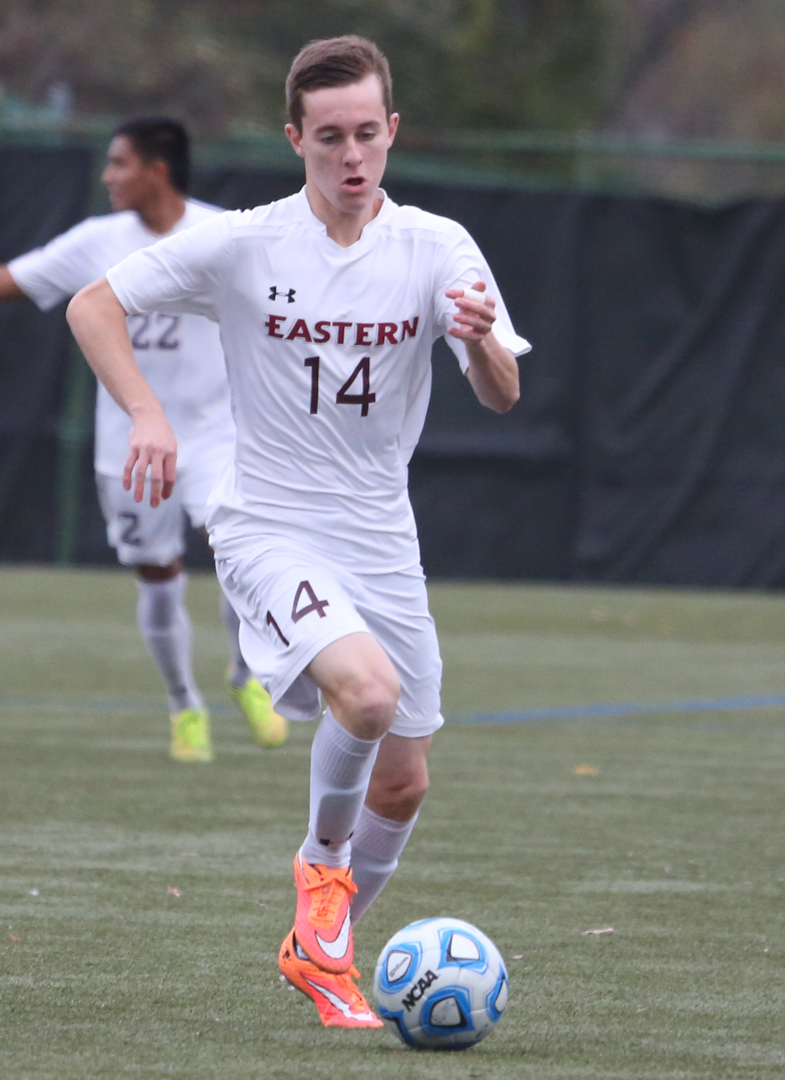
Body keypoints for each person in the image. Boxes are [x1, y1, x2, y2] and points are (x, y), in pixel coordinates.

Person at [65, 37, 529, 1028]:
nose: (352, 157)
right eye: (330, 139)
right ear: (296, 140)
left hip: (382, 538)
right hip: (267, 521)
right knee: (366, 693)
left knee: (402, 784)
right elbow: (92, 305)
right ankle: (320, 877)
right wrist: (147, 412)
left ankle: (322, 952)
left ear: (392, 131)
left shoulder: (438, 248)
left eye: (368, 134)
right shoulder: (246, 242)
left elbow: (502, 395)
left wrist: (484, 337)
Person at [0, 117, 286, 764]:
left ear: (157, 170)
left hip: (218, 438)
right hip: (130, 446)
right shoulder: (97, 241)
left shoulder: (225, 234)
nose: (107, 176)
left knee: (243, 563)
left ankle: (247, 680)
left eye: (119, 163)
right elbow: (7, 285)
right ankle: (183, 705)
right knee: (158, 578)